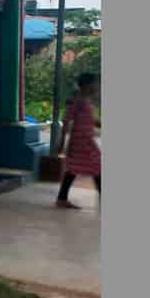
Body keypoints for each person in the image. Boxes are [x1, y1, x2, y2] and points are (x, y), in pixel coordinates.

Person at [55, 72, 101, 209]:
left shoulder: (86, 100)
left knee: (74, 168)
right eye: (96, 83)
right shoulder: (77, 100)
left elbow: (89, 119)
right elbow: (67, 119)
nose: (98, 86)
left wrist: (97, 122)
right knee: (97, 166)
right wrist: (62, 141)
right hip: (81, 142)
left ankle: (62, 198)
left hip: (86, 141)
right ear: (87, 85)